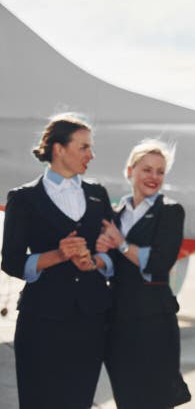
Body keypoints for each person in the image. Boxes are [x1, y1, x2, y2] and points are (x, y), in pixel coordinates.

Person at [1, 114, 114, 409]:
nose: (91, 155)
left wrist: (95, 261)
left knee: (79, 401)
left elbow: (109, 252)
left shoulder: (98, 195)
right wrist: (58, 255)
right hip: (41, 320)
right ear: (59, 149)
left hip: (89, 319)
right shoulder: (23, 198)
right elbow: (11, 262)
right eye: (84, 147)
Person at [96, 139, 191, 408]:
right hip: (117, 319)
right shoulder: (116, 215)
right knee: (126, 397)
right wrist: (101, 253)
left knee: (157, 398)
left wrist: (121, 244)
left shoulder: (171, 211)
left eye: (160, 172)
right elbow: (110, 265)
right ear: (130, 171)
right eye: (147, 169)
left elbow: (160, 262)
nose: (154, 177)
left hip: (154, 320)